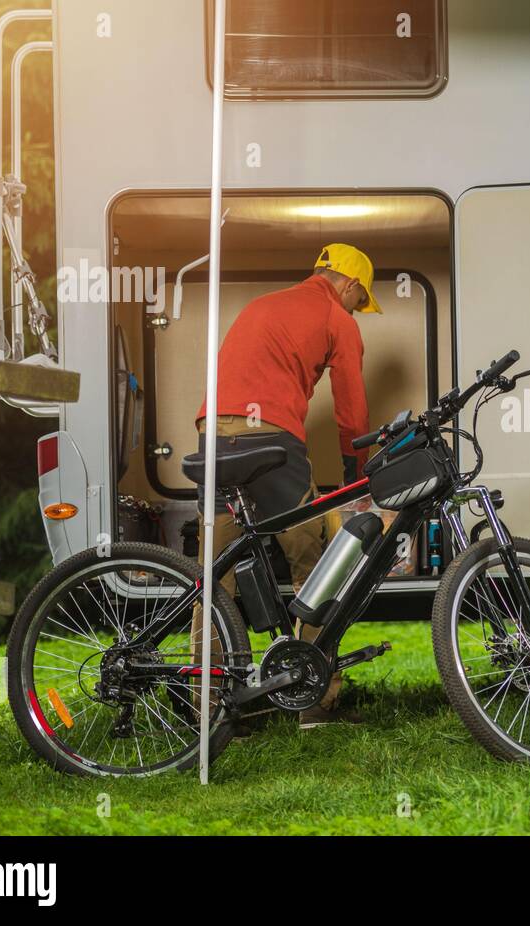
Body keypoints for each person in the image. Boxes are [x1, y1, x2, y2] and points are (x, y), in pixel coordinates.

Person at [195, 243, 381, 728]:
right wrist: (355, 476)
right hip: (270, 439)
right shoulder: (336, 317)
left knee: (214, 575)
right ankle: (315, 702)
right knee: (316, 561)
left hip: (212, 437)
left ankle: (208, 710)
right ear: (350, 284)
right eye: (360, 300)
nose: (357, 310)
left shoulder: (261, 305)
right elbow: (352, 411)